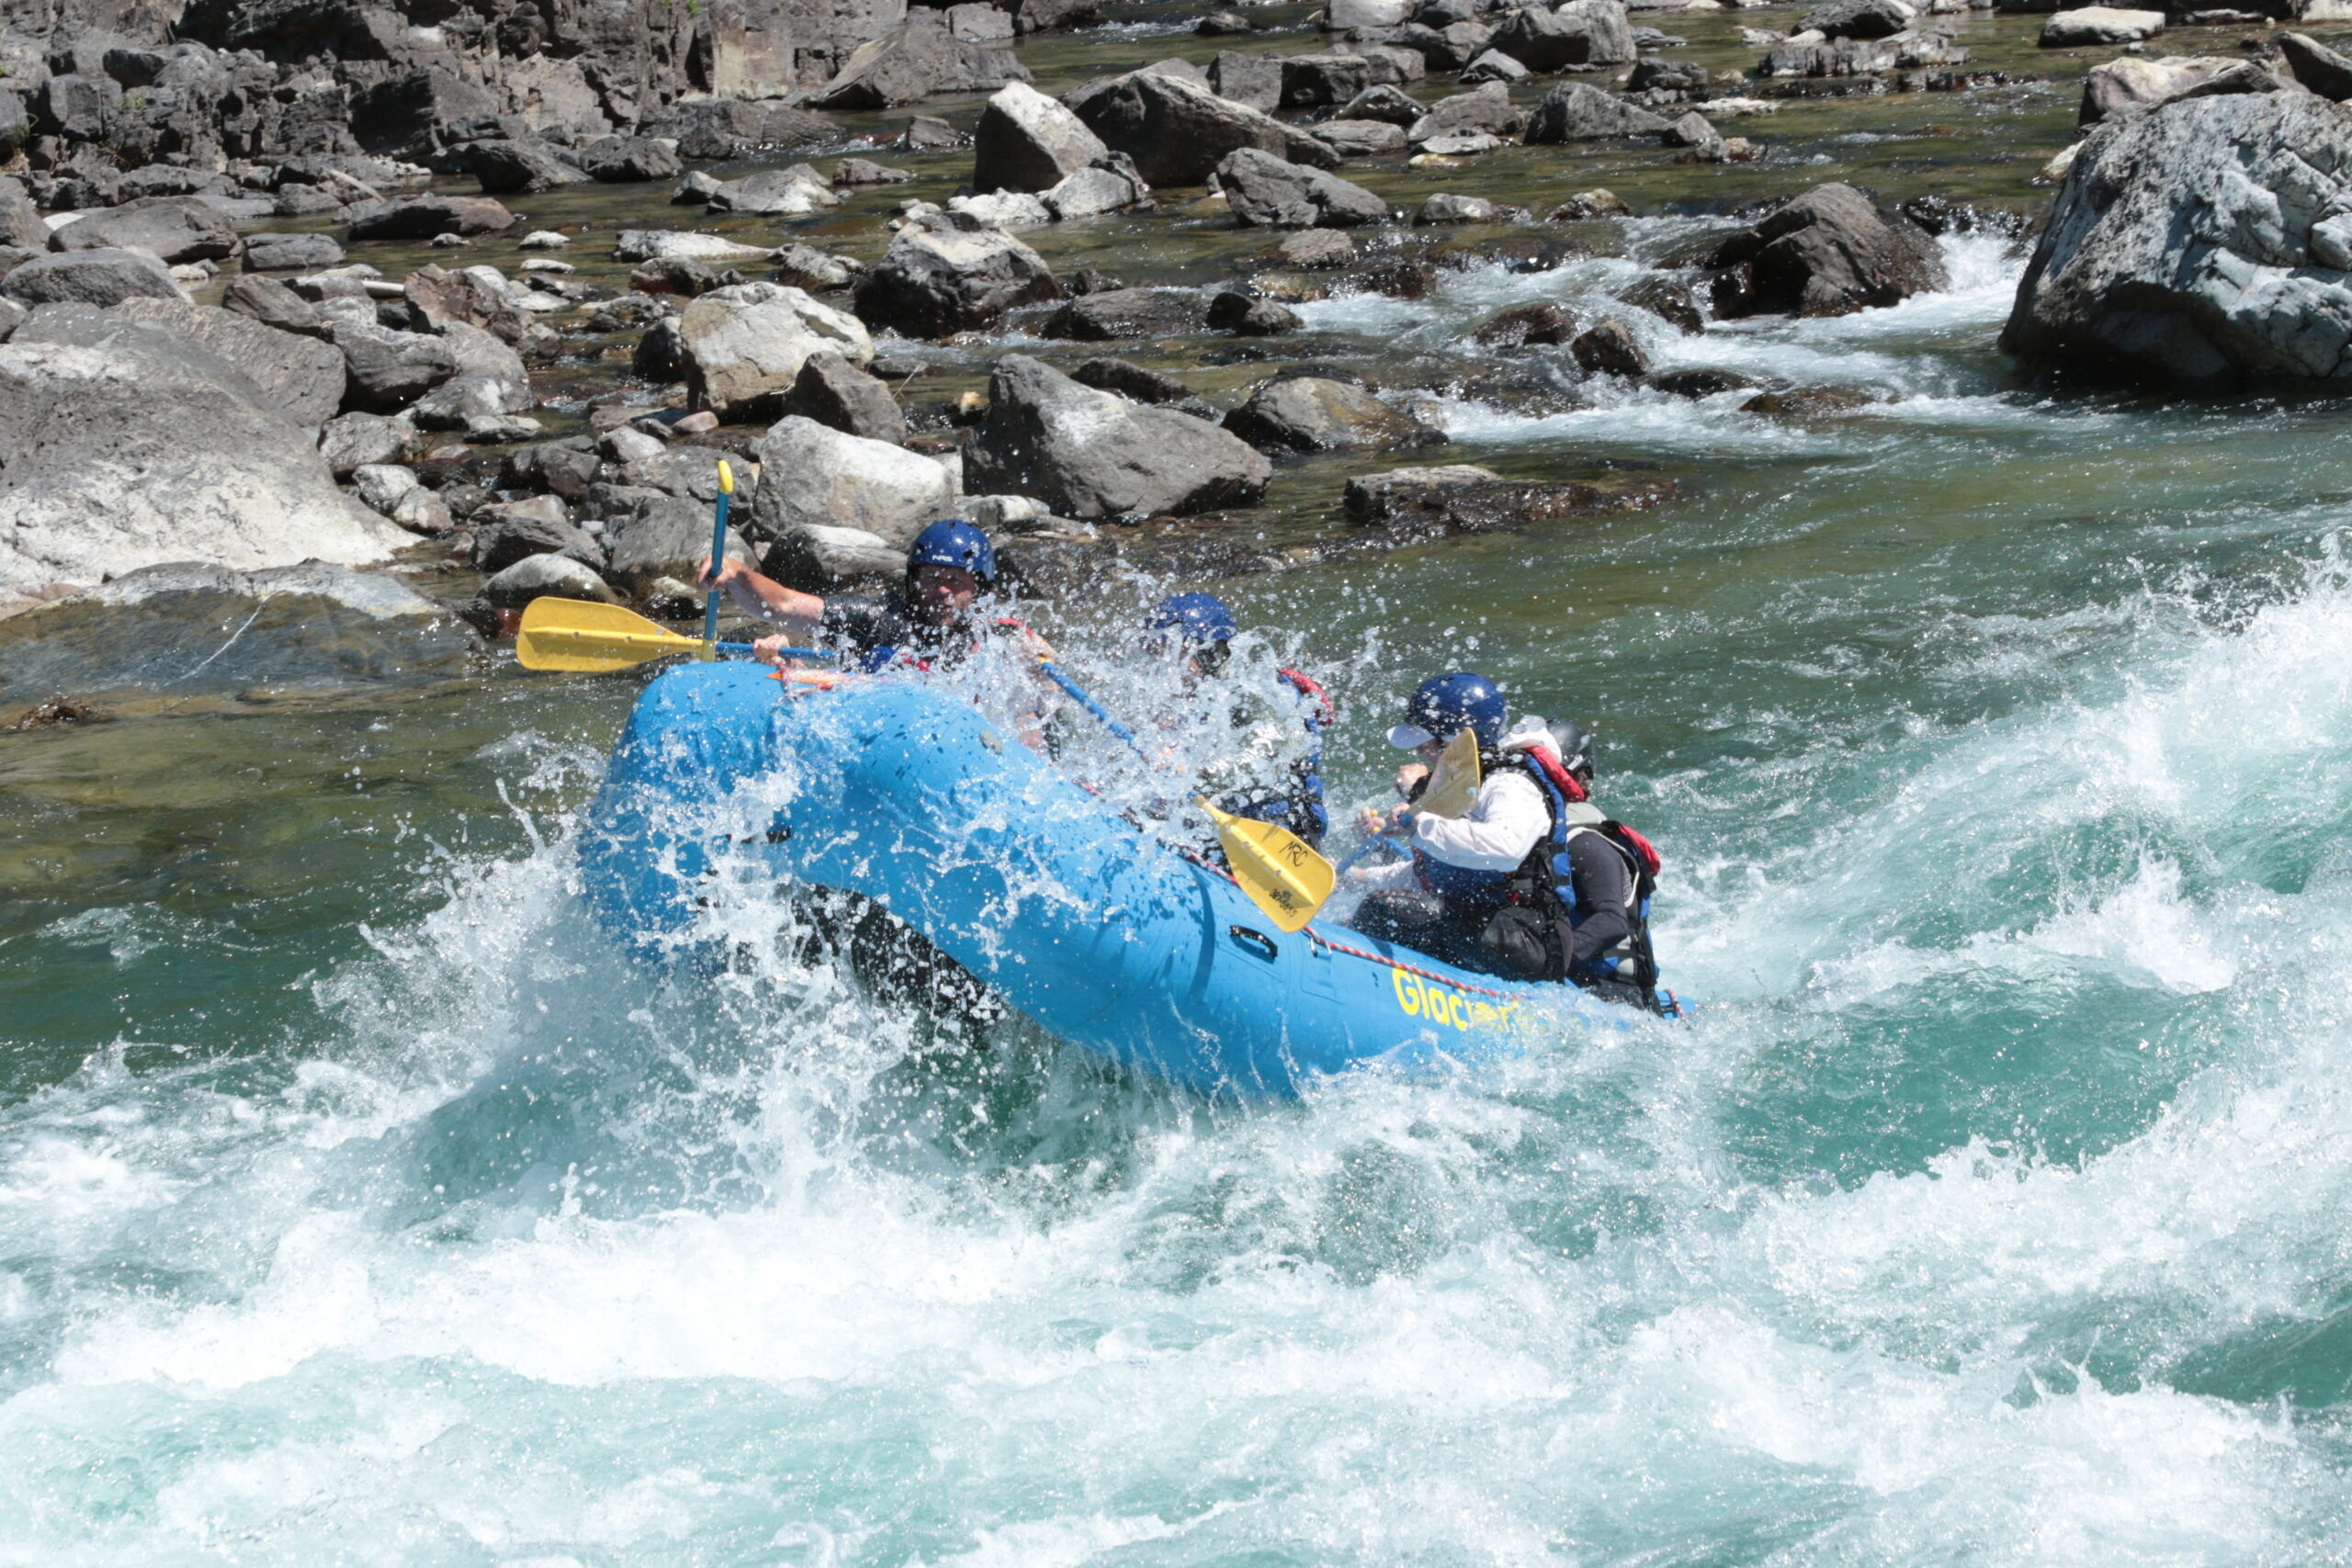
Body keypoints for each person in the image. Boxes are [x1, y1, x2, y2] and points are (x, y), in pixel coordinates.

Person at [1350, 673, 1666, 1011]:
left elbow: (1502, 850)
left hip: (1533, 945)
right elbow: (1448, 875)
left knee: (1386, 910)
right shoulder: (1475, 788)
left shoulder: (1515, 789)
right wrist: (1357, 877)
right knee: (1387, 906)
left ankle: (1344, 978)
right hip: (1505, 934)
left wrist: (1419, 826)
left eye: (1426, 741)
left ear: (1454, 739)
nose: (1418, 750)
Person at [697, 518, 1050, 673]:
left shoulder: (999, 633)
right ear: (913, 580)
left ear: (979, 587)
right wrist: (737, 573)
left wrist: (1039, 665)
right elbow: (784, 604)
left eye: (955, 580)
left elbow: (1044, 683)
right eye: (931, 578)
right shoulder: (876, 617)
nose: (942, 590)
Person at [1141, 592, 1332, 847]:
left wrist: (1192, 775)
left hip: (1278, 840)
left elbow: (1261, 758)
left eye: (1171, 652)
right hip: (1220, 832)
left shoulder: (1256, 690)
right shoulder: (1198, 697)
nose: (1162, 665)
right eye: (1155, 652)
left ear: (1206, 650)